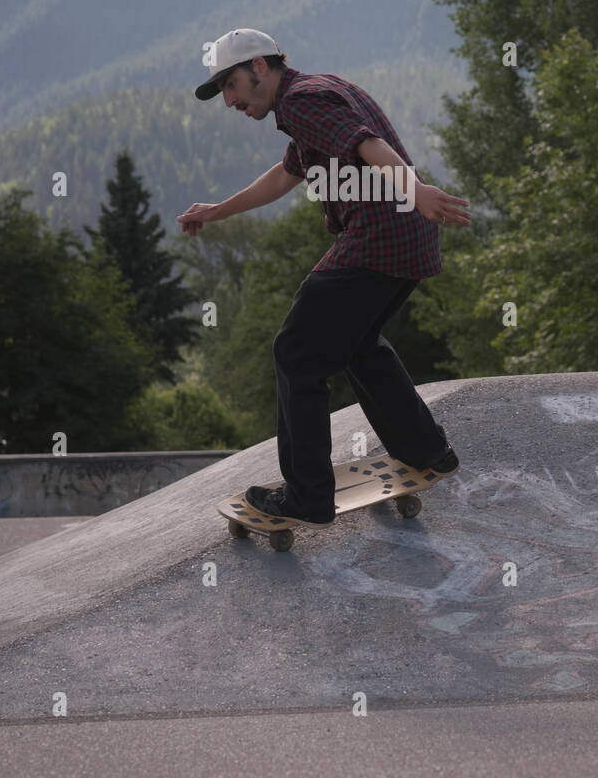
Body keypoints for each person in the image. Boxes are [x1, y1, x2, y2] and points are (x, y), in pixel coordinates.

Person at [177, 27, 471, 525]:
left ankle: (308, 497)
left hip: (379, 240)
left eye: (230, 85)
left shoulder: (301, 103)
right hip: (407, 240)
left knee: (297, 354)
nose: (228, 100)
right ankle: (427, 450)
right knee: (357, 344)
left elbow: (368, 144)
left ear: (260, 68)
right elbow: (285, 175)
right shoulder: (311, 96)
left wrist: (416, 191)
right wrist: (216, 211)